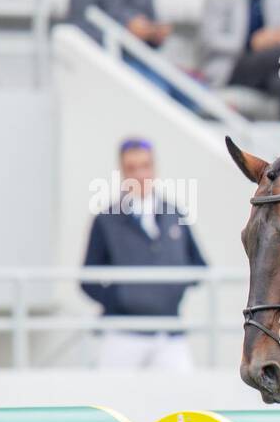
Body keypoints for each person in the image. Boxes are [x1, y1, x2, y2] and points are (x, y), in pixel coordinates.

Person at [81, 138, 206, 371]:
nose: (140, 175)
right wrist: (121, 298)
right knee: (112, 399)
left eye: (145, 166)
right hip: (123, 333)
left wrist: (170, 291)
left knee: (184, 398)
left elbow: (198, 265)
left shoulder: (173, 212)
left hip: (170, 332)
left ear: (154, 168)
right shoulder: (106, 220)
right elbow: (87, 279)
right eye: (132, 168)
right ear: (122, 172)